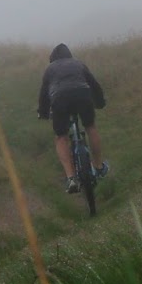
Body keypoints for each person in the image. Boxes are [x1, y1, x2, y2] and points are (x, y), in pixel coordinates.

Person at [36, 43, 110, 194]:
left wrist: (43, 112)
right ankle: (98, 166)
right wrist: (100, 102)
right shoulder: (78, 63)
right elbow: (94, 84)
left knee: (61, 137)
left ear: (53, 59)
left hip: (59, 98)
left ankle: (71, 178)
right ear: (69, 55)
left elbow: (43, 94)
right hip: (82, 94)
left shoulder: (50, 69)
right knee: (90, 127)